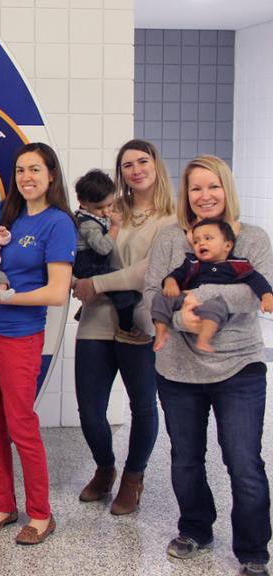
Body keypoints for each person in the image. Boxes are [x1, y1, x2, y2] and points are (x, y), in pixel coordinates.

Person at [144, 154, 272, 576]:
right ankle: (195, 529)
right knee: (185, 459)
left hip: (239, 368)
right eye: (195, 188)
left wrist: (196, 298)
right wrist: (183, 320)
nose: (205, 196)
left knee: (244, 462)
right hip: (177, 369)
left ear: (226, 189)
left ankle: (253, 551)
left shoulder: (252, 238)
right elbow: (151, 296)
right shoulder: (170, 238)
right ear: (186, 194)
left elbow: (255, 294)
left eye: (213, 186)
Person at [0, 142, 75, 545]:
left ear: (51, 175)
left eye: (35, 169)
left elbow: (57, 293)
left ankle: (41, 514)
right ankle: (4, 506)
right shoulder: (0, 212)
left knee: (21, 425)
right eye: (21, 170)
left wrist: (4, 298)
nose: (27, 177)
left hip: (20, 335)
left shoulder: (58, 224)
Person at [72, 139, 176, 515]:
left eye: (142, 161)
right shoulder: (108, 209)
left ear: (155, 165)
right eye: (127, 165)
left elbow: (149, 271)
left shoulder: (173, 219)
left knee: (143, 405)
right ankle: (105, 468)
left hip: (140, 323)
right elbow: (79, 254)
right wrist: (75, 278)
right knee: (90, 410)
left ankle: (133, 477)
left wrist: (95, 284)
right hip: (97, 319)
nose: (135, 170)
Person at [152, 218, 273, 352]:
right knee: (161, 296)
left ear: (227, 246)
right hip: (186, 300)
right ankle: (161, 330)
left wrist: (267, 296)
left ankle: (203, 340)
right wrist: (170, 282)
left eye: (208, 238)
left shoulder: (238, 265)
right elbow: (177, 274)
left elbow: (257, 279)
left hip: (215, 303)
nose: (201, 243)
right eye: (196, 241)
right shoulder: (191, 262)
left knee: (214, 306)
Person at [72, 169, 146, 343]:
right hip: (88, 266)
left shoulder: (94, 216)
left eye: (110, 205)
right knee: (126, 295)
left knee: (133, 292)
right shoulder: (87, 224)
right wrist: (115, 227)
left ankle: (85, 307)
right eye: (100, 208)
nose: (106, 211)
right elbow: (103, 248)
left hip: (95, 265)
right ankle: (126, 329)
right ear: (83, 202)